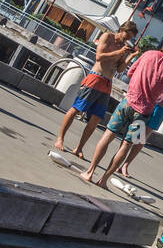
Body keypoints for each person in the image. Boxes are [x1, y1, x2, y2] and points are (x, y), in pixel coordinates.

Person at [79, 36, 163, 188]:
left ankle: (90, 171)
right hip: (145, 112)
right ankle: (104, 180)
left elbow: (130, 73)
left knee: (108, 134)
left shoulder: (148, 54)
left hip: (127, 102)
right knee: (127, 145)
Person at [53, 22, 137, 156]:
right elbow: (99, 57)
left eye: (130, 37)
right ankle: (60, 138)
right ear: (122, 29)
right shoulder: (107, 37)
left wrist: (129, 56)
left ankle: (79, 147)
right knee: (76, 109)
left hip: (107, 83)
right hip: (95, 78)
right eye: (127, 35)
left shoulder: (123, 47)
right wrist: (119, 52)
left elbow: (120, 69)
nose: (127, 39)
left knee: (96, 118)